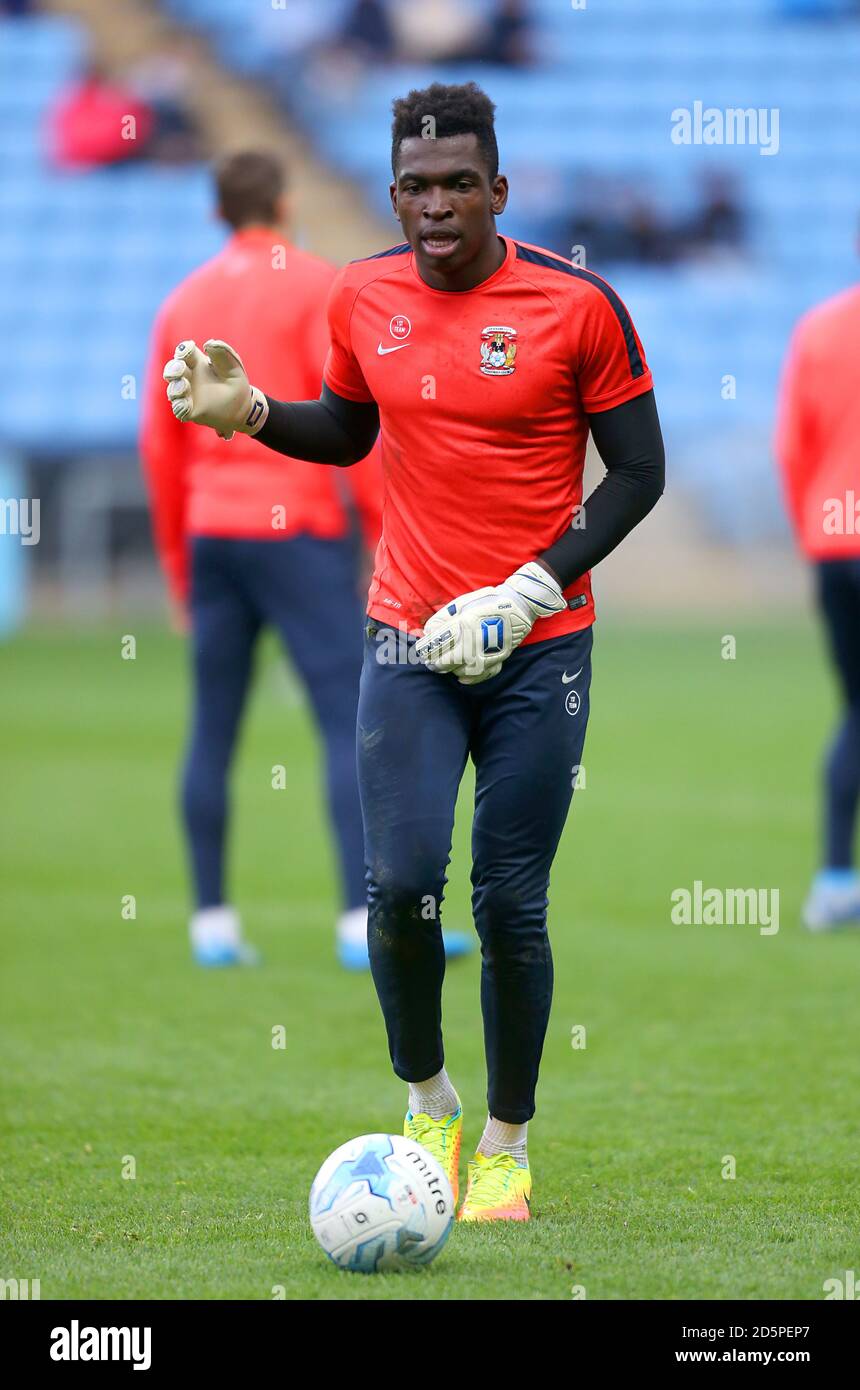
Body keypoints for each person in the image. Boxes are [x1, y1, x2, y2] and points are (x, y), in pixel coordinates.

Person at [159, 84, 664, 1221]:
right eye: (415, 188)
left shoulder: (578, 307)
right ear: (392, 196)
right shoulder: (361, 296)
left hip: (541, 645)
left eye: (455, 185)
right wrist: (252, 413)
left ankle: (504, 1141)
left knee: (512, 901)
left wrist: (529, 589)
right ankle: (428, 1096)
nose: (434, 206)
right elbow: (349, 429)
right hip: (406, 637)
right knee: (396, 887)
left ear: (498, 188)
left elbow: (638, 471)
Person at [142, 151, 391, 970]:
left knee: (212, 726)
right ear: (284, 202)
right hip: (300, 533)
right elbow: (350, 426)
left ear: (218, 213)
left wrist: (179, 569)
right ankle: (360, 923)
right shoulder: (320, 284)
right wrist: (382, 535)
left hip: (215, 532)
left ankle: (211, 924)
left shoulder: (183, 299)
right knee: (345, 721)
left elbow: (160, 447)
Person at [775, 275, 860, 930]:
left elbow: (792, 447)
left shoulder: (821, 326)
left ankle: (834, 878)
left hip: (835, 542)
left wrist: (816, 531)